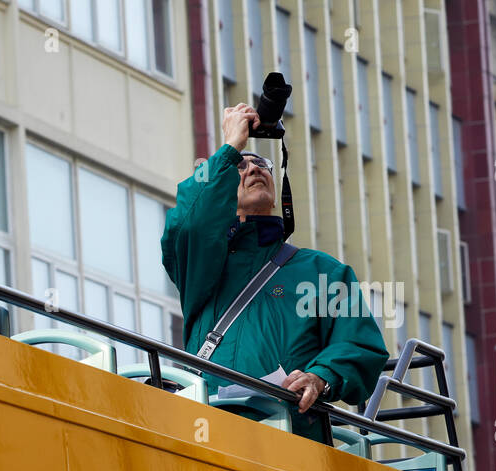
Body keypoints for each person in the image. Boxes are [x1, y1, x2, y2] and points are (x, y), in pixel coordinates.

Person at [161, 103, 389, 440]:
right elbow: (187, 223)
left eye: (261, 164)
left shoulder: (323, 271)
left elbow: (361, 344)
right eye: (241, 166)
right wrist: (229, 149)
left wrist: (321, 377)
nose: (253, 168)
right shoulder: (203, 263)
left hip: (290, 441)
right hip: (205, 433)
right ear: (222, 189)